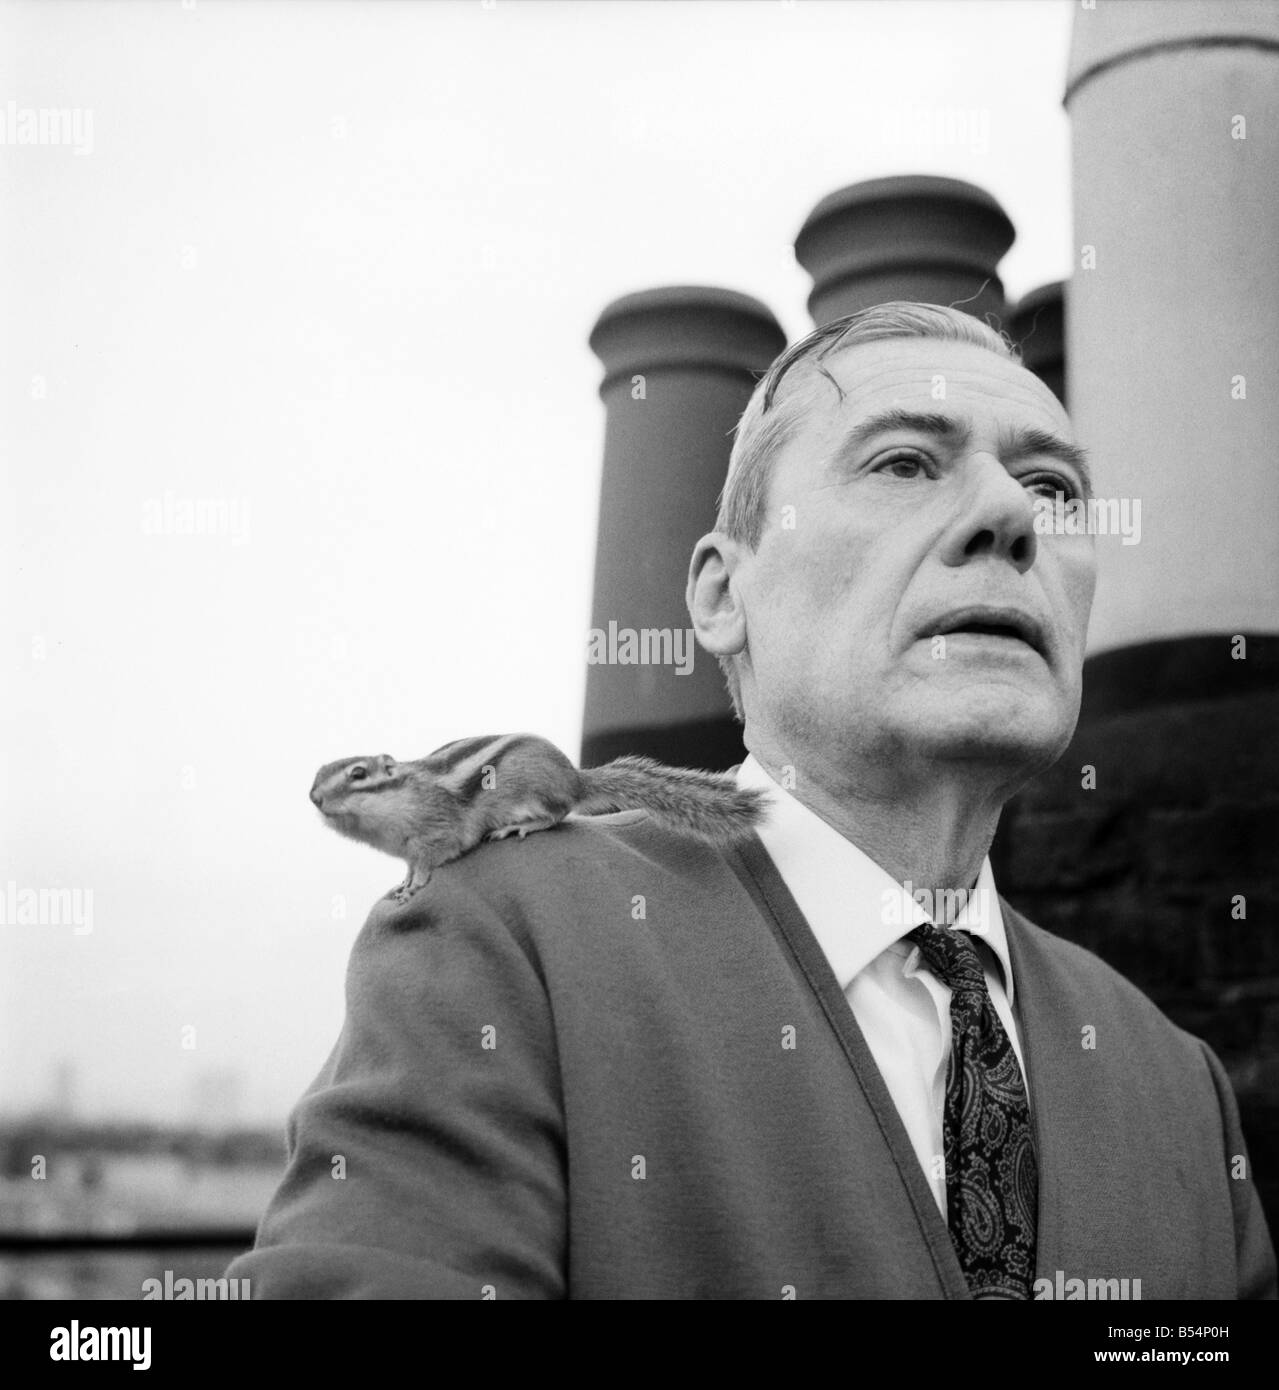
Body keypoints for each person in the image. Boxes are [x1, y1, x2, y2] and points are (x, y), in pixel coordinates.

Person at [228, 302, 1275, 1299]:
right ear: (723, 595)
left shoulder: (1175, 1080)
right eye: (905, 462)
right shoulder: (503, 943)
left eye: (1051, 491)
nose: (1010, 516)